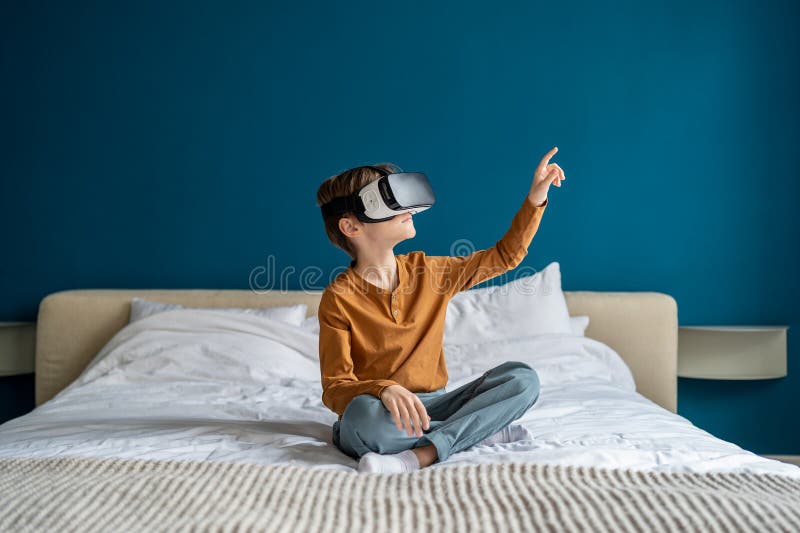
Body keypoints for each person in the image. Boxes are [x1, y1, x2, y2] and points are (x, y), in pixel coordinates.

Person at [315, 147, 566, 473]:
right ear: (351, 227)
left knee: (522, 379)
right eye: (389, 200)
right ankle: (478, 431)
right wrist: (383, 388)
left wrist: (535, 198)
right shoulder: (339, 298)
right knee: (359, 421)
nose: (406, 208)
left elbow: (504, 256)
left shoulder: (429, 272)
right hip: (384, 410)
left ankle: (419, 456)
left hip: (438, 404)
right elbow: (335, 388)